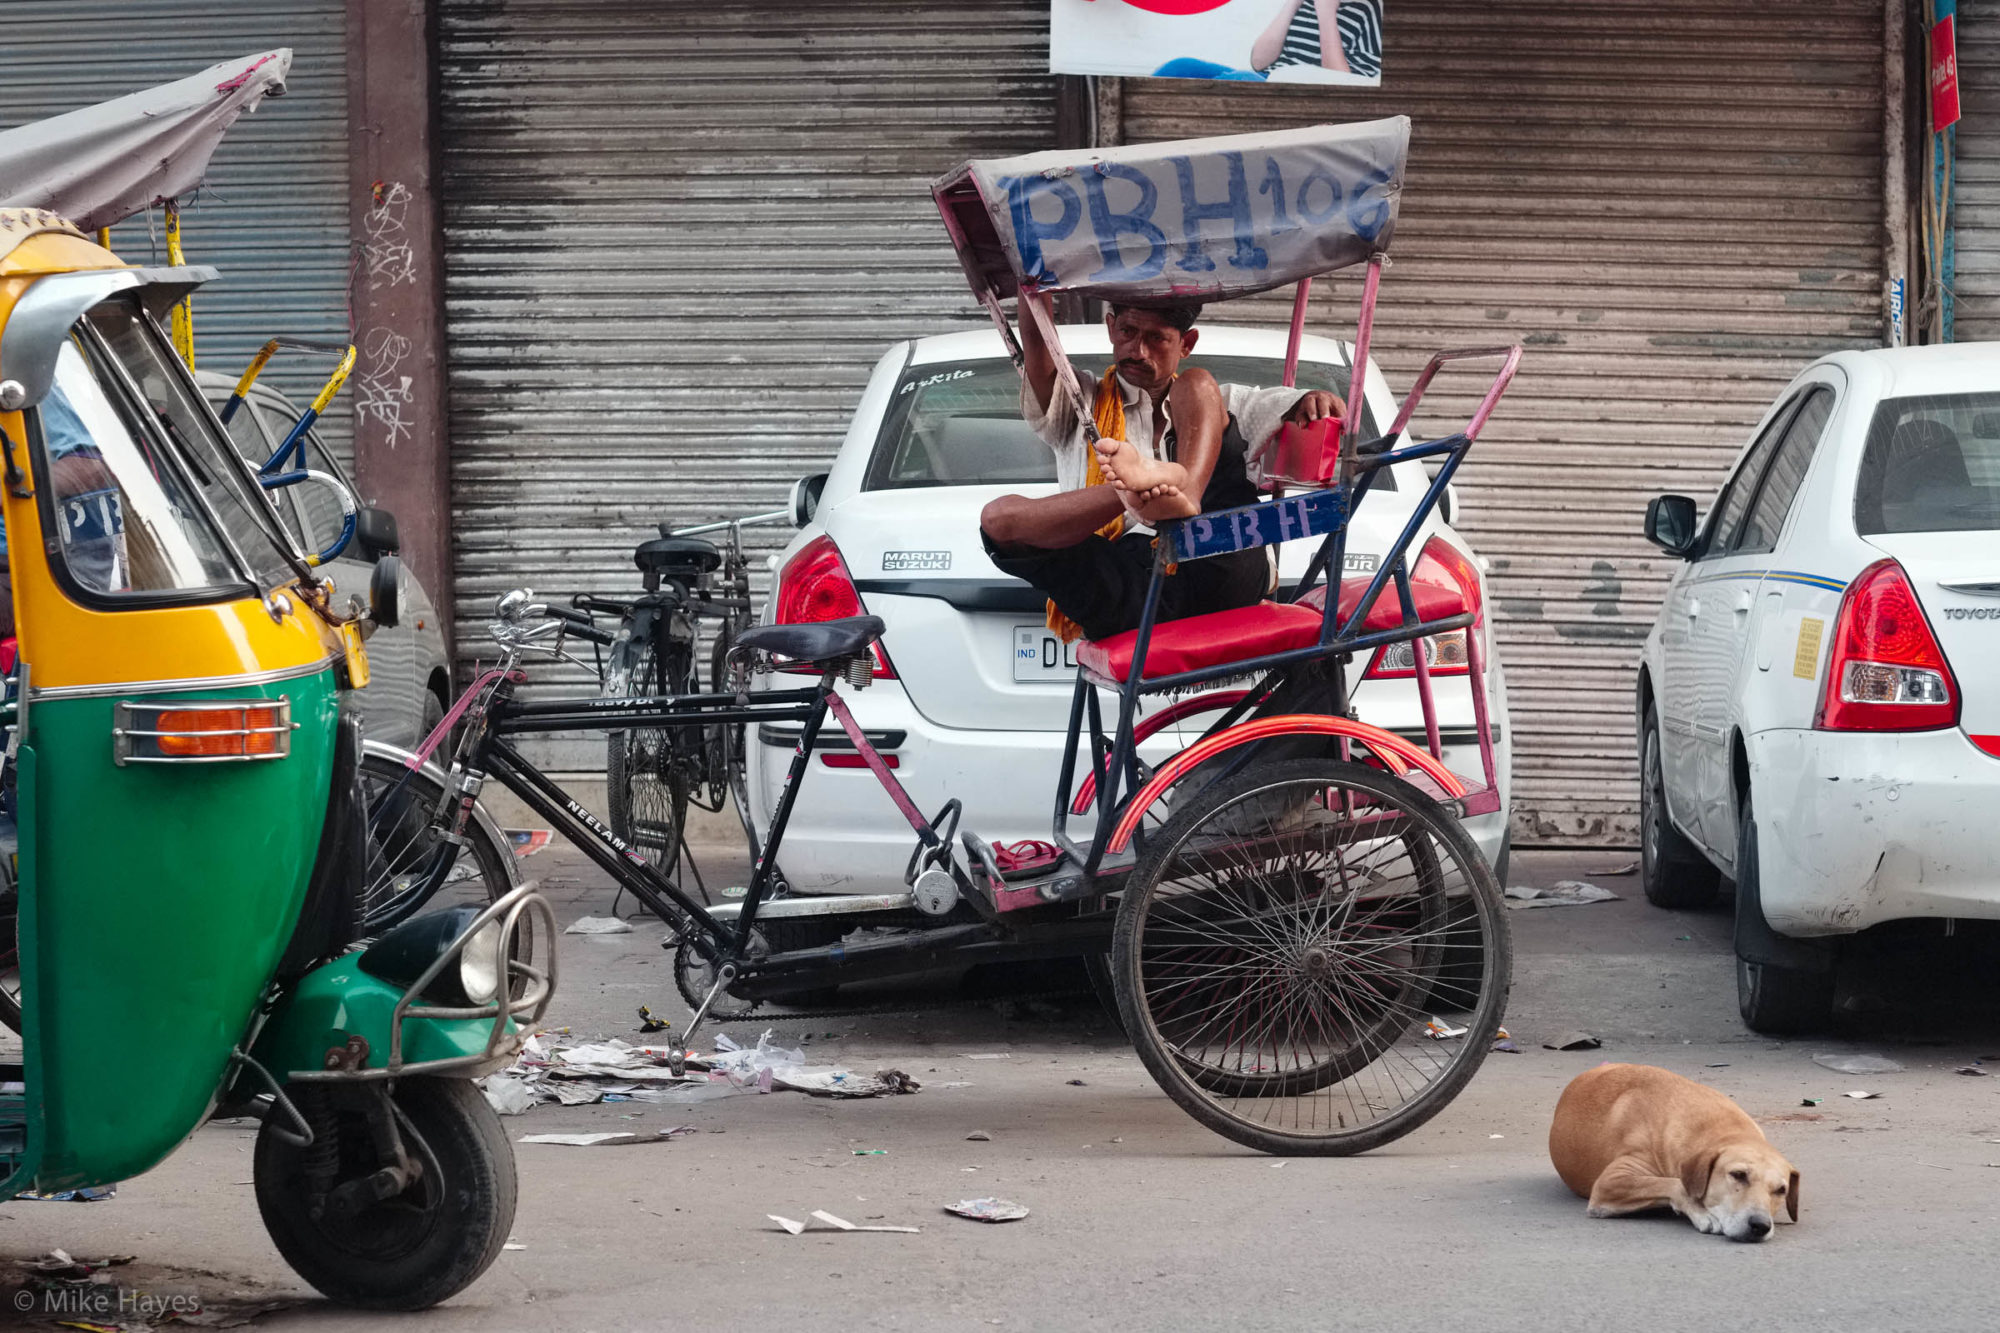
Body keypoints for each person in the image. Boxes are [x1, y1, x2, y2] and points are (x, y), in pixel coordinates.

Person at [979, 293, 1343, 644]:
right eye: (1127, 332)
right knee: (997, 519)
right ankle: (1135, 491)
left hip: (1219, 563)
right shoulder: (1079, 403)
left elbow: (1298, 407)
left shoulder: (1219, 399)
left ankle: (1183, 492)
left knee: (1197, 382)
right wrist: (1031, 276)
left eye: (1156, 338)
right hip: (1126, 584)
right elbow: (1038, 342)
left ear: (1186, 344)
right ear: (1110, 328)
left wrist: (1315, 400)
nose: (1138, 350)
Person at [1154, 0, 1384, 83]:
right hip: (1268, 77)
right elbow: (1259, 62)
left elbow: (1342, 80)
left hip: (1300, 92)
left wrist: (1326, 13)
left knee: (1240, 80)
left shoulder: (1367, 9)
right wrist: (1292, 4)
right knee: (1177, 67)